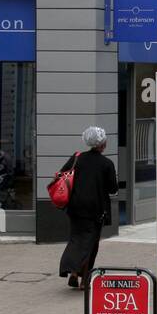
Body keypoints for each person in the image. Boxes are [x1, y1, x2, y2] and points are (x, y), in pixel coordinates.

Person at [58, 126, 118, 293]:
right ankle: (85, 279)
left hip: (75, 207)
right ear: (103, 144)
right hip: (96, 210)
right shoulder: (107, 164)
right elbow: (113, 188)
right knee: (91, 243)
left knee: (76, 238)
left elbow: (62, 175)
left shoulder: (77, 159)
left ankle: (74, 271)